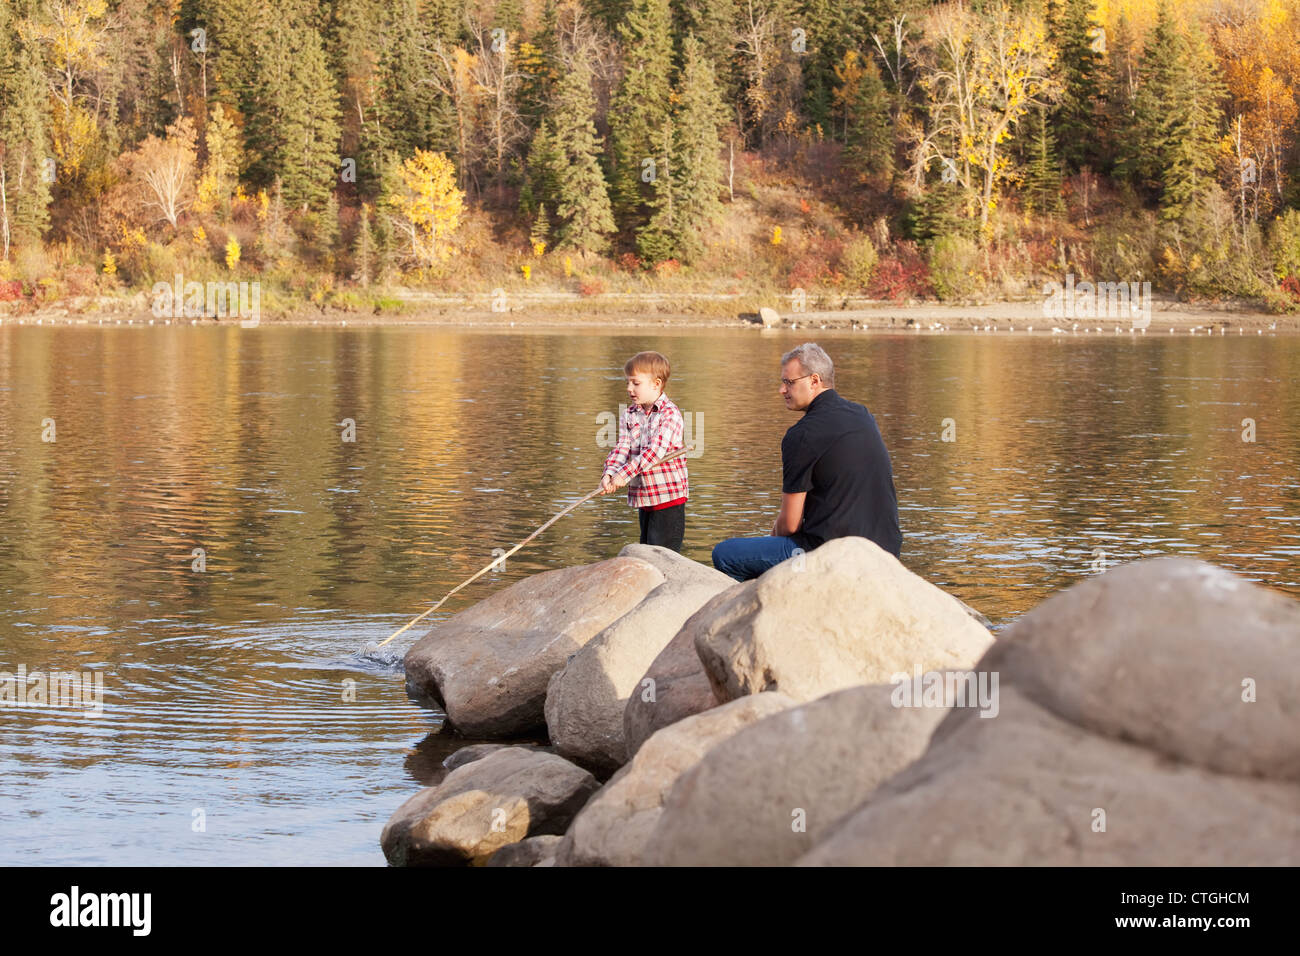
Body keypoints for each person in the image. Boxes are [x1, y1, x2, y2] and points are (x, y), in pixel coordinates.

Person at [711, 342, 901, 581]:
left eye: (789, 382)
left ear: (814, 381)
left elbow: (789, 525)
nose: (782, 390)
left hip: (830, 555)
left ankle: (762, 611)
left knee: (726, 554)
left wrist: (773, 537)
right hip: (886, 551)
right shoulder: (863, 415)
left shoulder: (802, 435)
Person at [596, 351, 689, 552]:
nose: (629, 388)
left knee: (662, 556)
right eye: (628, 383)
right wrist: (610, 473)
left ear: (656, 384)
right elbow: (622, 447)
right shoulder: (630, 413)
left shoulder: (670, 414)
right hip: (645, 497)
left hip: (667, 498)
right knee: (645, 551)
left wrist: (624, 474)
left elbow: (654, 452)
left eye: (636, 383)